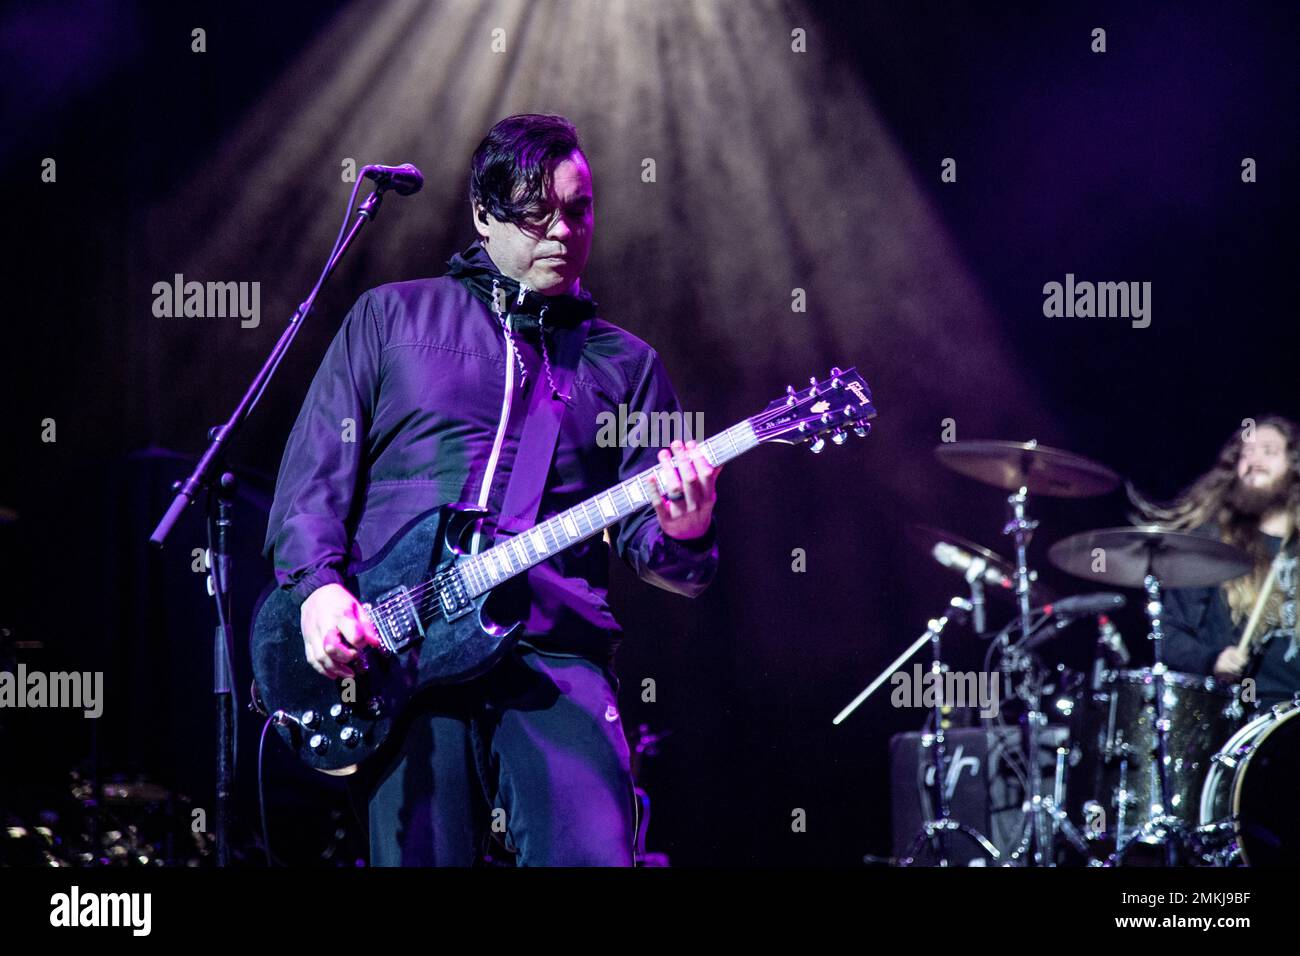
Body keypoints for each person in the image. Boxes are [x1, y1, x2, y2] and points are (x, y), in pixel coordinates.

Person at [262, 114, 722, 865]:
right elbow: (312, 479)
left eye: (578, 210)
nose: (562, 232)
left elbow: (662, 558)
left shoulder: (625, 365)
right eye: (536, 214)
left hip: (552, 657)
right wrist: (317, 591)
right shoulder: (392, 318)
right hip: (400, 662)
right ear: (483, 215)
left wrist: (686, 525)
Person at [1133, 416, 1298, 709]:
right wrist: (1212, 660)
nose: (1253, 461)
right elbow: (1167, 633)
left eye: (1269, 451)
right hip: (1246, 714)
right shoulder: (1212, 545)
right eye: (1246, 454)